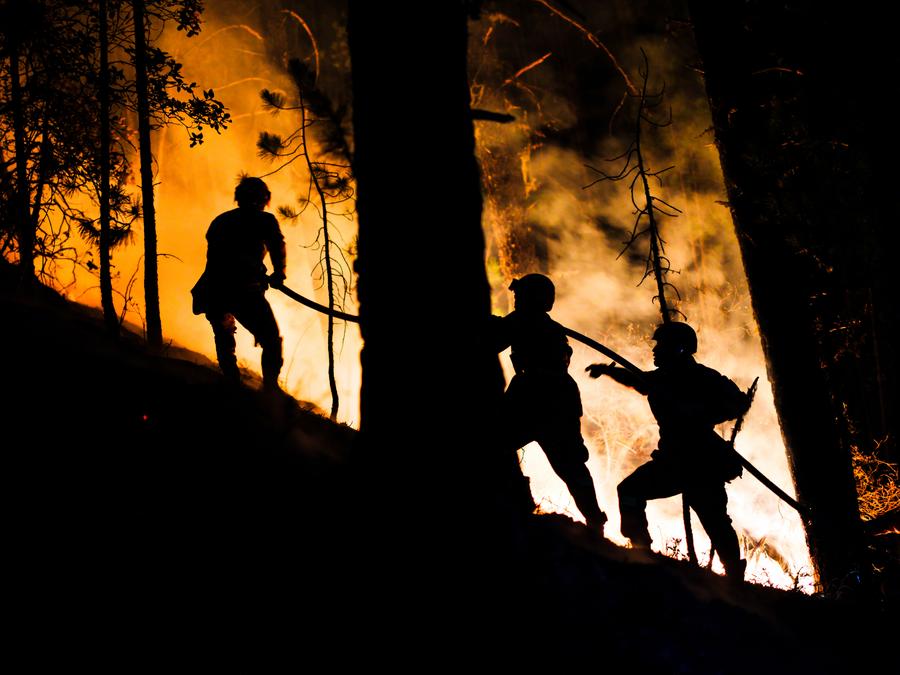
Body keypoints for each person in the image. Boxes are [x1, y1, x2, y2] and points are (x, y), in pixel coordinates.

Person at [586, 322, 750, 580]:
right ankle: (642, 551)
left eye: (662, 345)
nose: (655, 350)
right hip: (672, 461)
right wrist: (608, 371)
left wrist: (700, 412)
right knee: (629, 491)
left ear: (680, 349)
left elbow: (738, 403)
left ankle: (734, 574)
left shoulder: (705, 378)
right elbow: (637, 380)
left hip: (702, 462)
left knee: (714, 519)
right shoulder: (660, 379)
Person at [490, 273, 607, 531]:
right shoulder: (549, 326)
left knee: (494, 445)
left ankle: (516, 504)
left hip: (533, 394)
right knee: (571, 464)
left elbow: (492, 340)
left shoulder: (523, 320)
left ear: (533, 298)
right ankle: (594, 519)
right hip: (559, 395)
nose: (516, 299)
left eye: (520, 295)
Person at [196, 176, 286, 389]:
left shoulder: (221, 221)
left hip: (215, 289)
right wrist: (278, 274)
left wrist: (275, 274)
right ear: (264, 199)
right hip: (243, 292)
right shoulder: (264, 221)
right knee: (271, 340)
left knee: (224, 334)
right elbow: (276, 245)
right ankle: (269, 389)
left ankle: (232, 382)